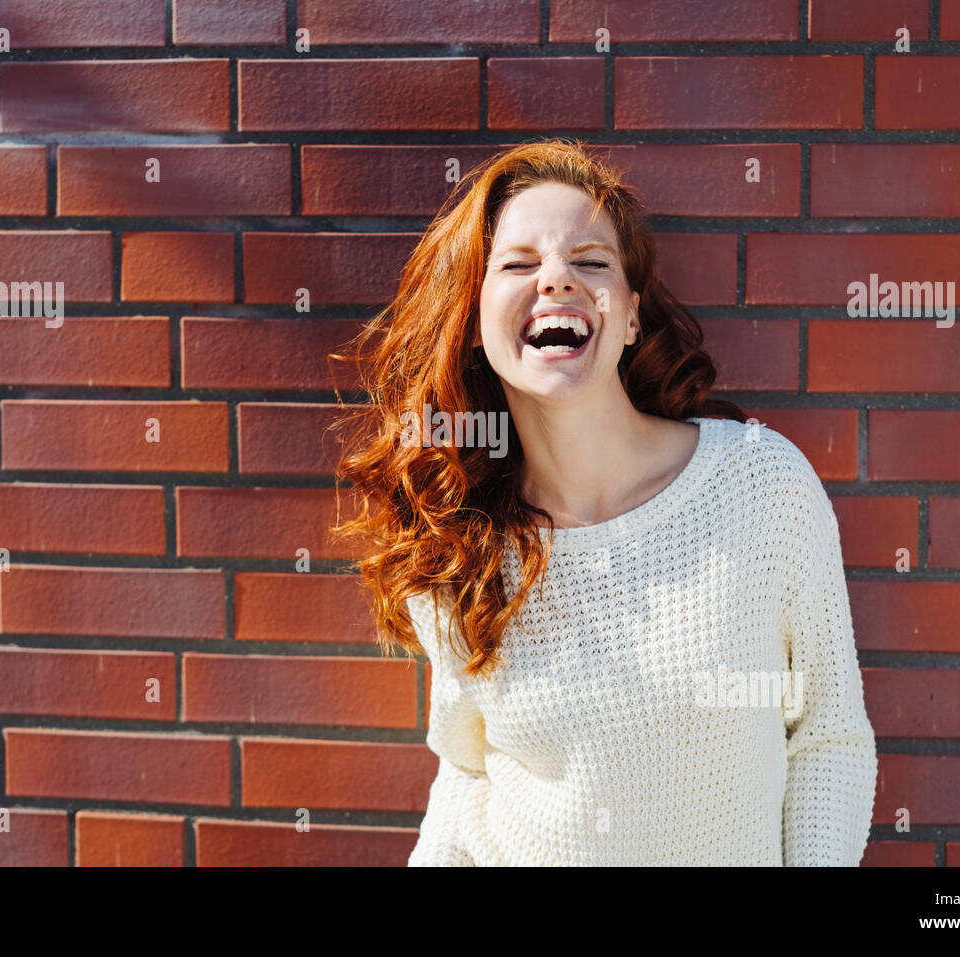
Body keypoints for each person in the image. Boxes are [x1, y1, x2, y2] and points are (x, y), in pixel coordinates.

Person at [329, 138, 878, 866]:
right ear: (475, 324)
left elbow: (827, 737)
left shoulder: (760, 483)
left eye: (591, 262)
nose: (557, 277)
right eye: (518, 264)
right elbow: (468, 774)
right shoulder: (462, 545)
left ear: (630, 318)